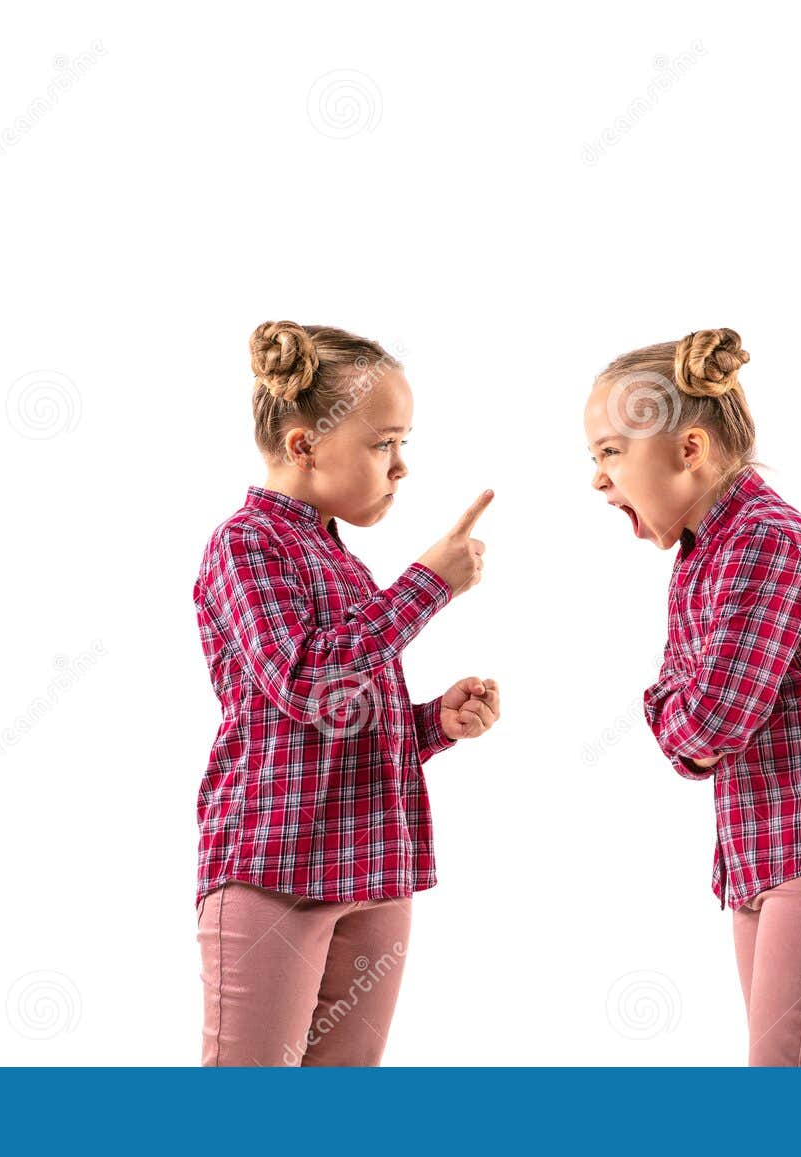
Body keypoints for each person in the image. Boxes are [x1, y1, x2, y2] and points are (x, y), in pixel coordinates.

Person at [583, 327, 801, 1065]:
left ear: (690, 450)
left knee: (788, 1074)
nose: (597, 478)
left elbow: (707, 719)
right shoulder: (700, 555)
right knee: (798, 1069)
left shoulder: (762, 541)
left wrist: (667, 709)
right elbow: (695, 725)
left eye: (611, 451)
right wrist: (679, 713)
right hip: (768, 848)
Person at [193, 320, 500, 1065]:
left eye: (403, 444)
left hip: (372, 867)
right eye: (383, 442)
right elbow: (307, 684)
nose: (400, 467)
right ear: (304, 445)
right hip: (276, 871)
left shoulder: (341, 561)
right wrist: (429, 585)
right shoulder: (248, 543)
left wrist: (433, 724)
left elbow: (341, 713)